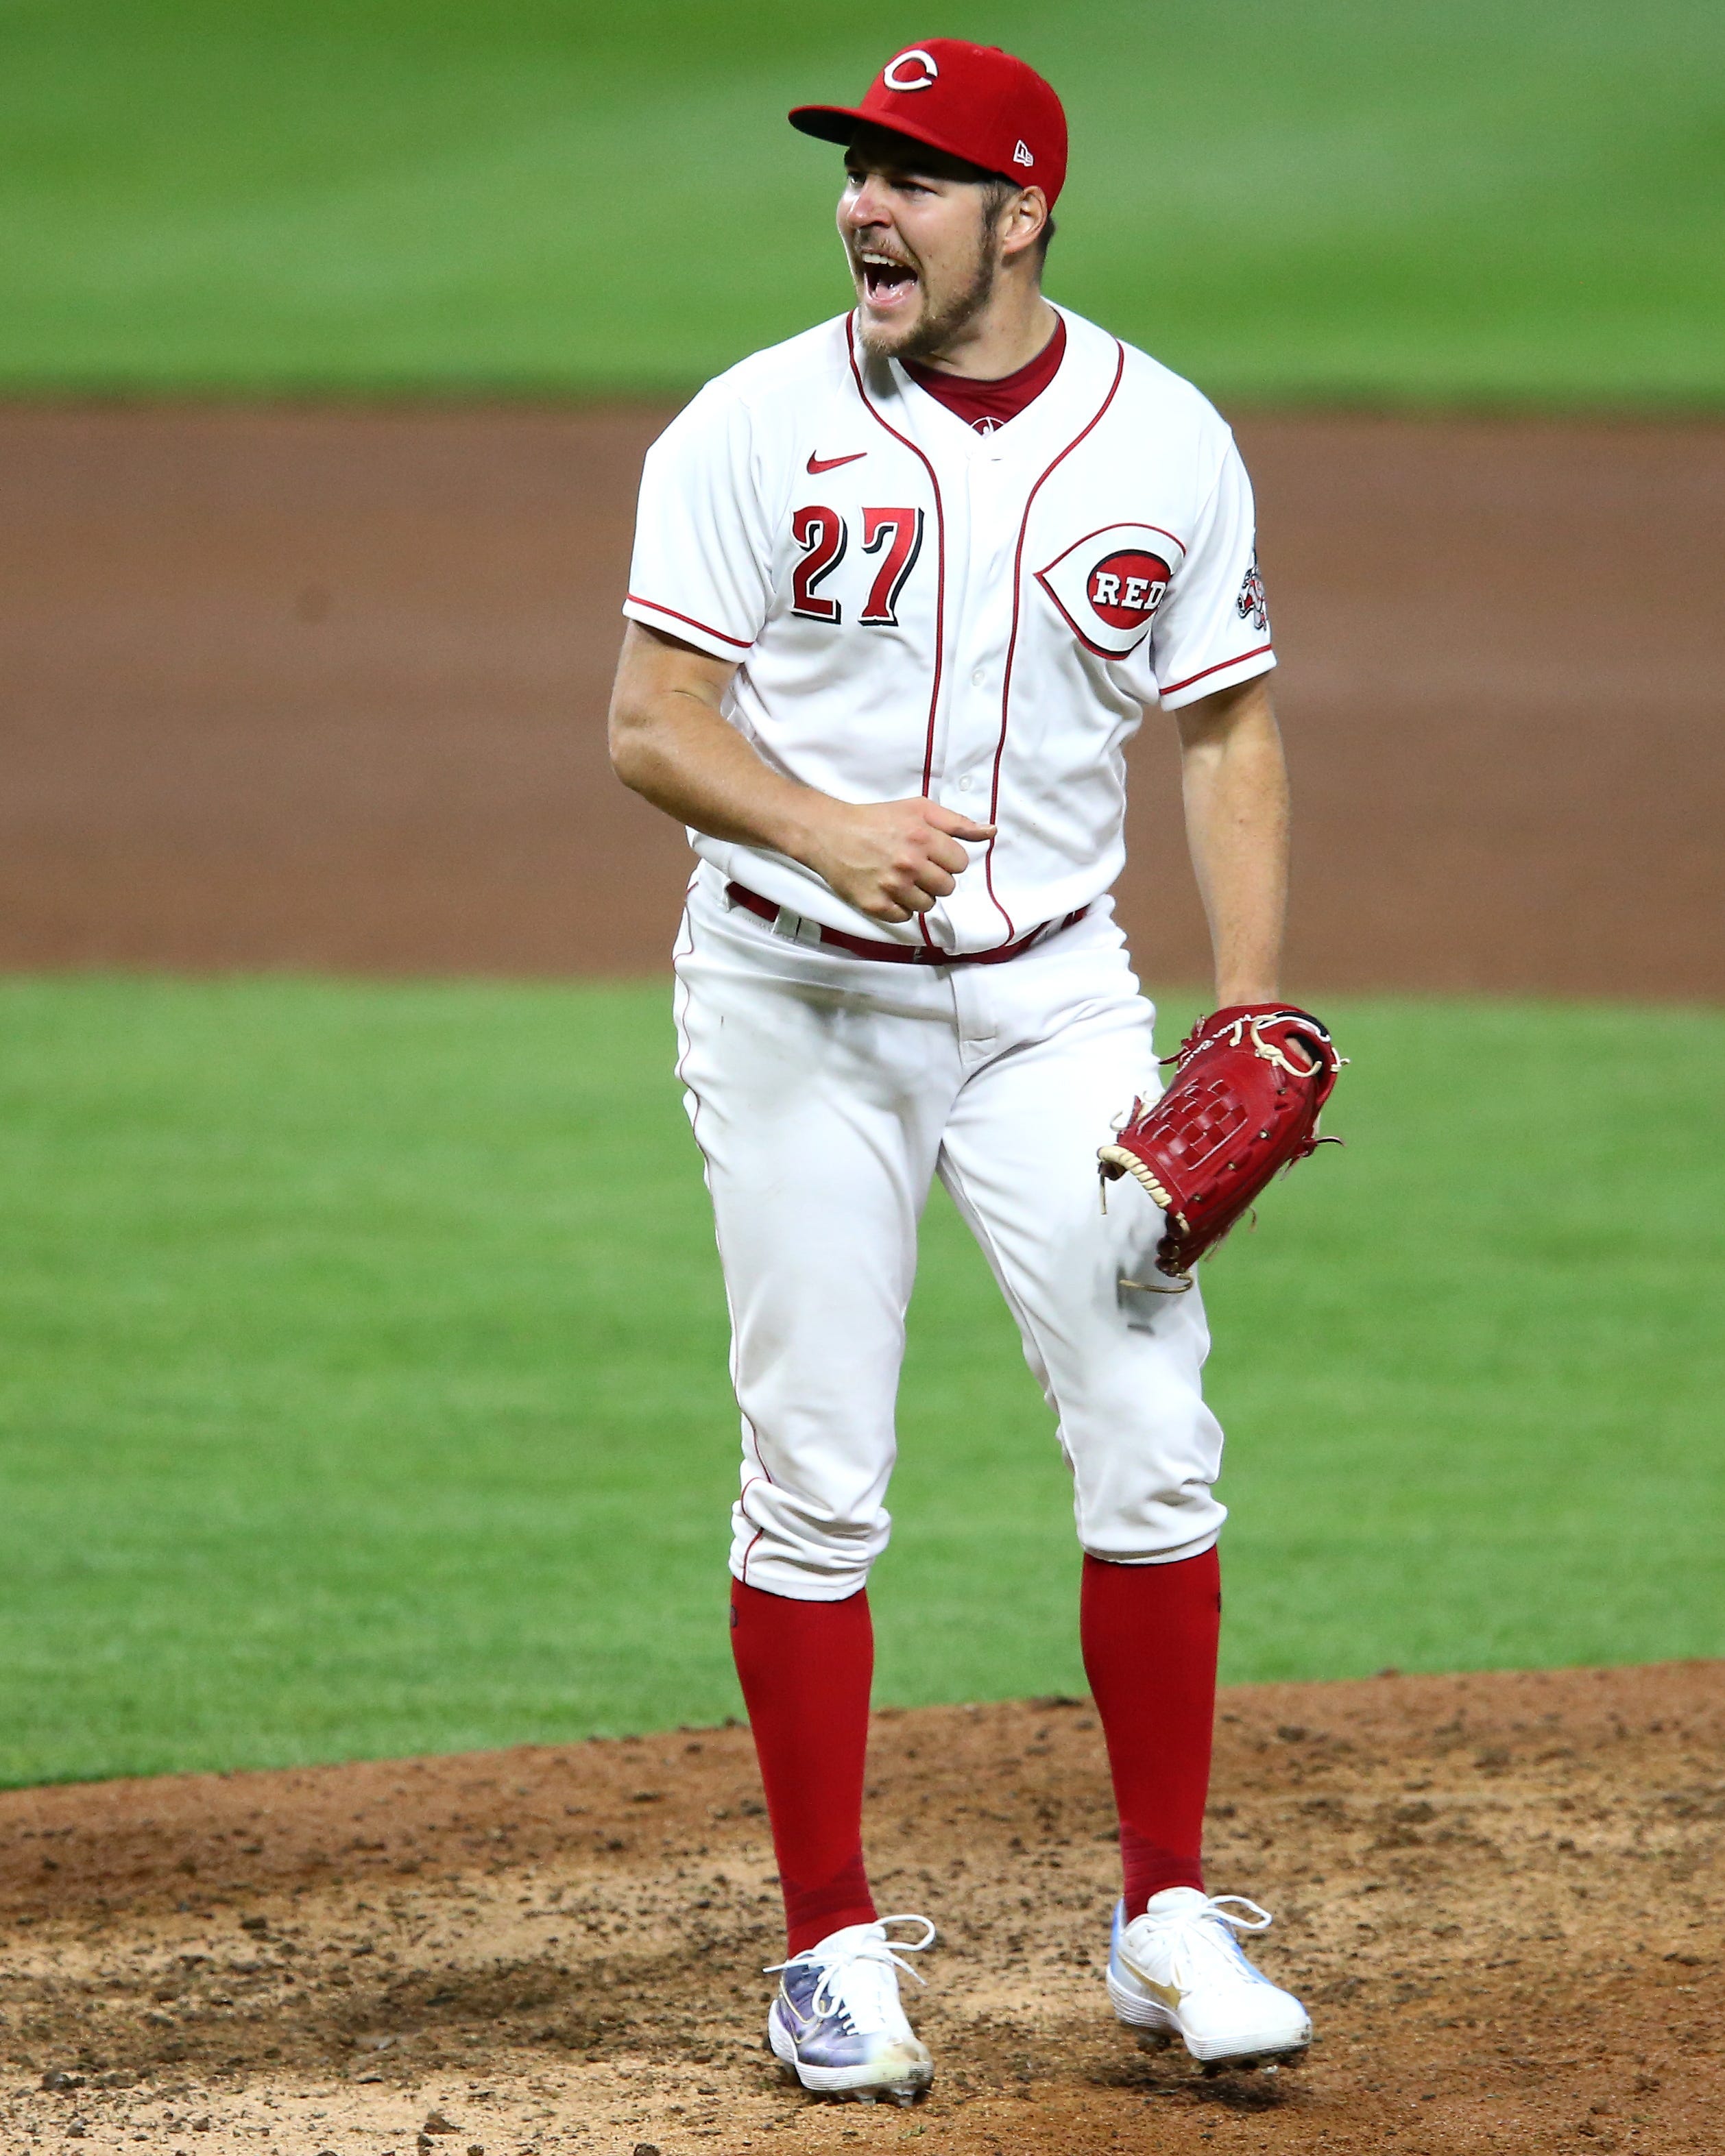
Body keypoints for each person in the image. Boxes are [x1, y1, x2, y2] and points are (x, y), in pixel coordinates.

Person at [609, 37, 1314, 2104]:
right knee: (815, 1474)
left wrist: (1247, 1009)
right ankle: (826, 1942)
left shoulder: (1162, 437)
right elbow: (650, 724)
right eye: (855, 170)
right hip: (790, 999)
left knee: (1151, 1431)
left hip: (1050, 1009)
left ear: (1023, 212)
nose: (863, 206)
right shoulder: (747, 426)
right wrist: (823, 829)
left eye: (914, 176)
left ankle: (1163, 1910)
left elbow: (1227, 728)